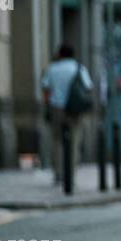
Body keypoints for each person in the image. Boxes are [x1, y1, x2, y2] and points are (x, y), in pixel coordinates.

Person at [40, 44, 93, 186]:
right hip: (75, 109)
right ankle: (70, 172)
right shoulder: (79, 68)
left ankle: (58, 173)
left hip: (57, 108)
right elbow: (88, 87)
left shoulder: (52, 68)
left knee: (57, 141)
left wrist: (48, 106)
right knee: (74, 141)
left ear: (60, 54)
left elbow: (45, 89)